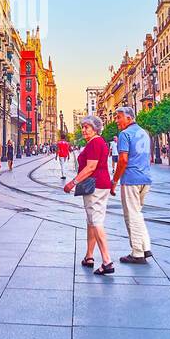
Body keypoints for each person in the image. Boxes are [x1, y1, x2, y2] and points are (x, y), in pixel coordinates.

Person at [66, 115, 114, 275]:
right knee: (91, 221)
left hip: (95, 186)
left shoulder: (94, 143)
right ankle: (89, 256)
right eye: (83, 127)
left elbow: (91, 167)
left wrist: (72, 183)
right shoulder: (97, 142)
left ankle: (107, 261)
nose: (83, 130)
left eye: (87, 127)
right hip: (98, 185)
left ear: (95, 128)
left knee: (97, 221)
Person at [113, 105, 154, 263]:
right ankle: (146, 247)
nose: (117, 121)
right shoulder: (144, 133)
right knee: (137, 212)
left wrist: (114, 180)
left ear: (129, 118)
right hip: (146, 178)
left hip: (131, 179)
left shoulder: (125, 134)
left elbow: (123, 160)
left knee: (131, 215)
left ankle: (137, 252)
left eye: (119, 117)